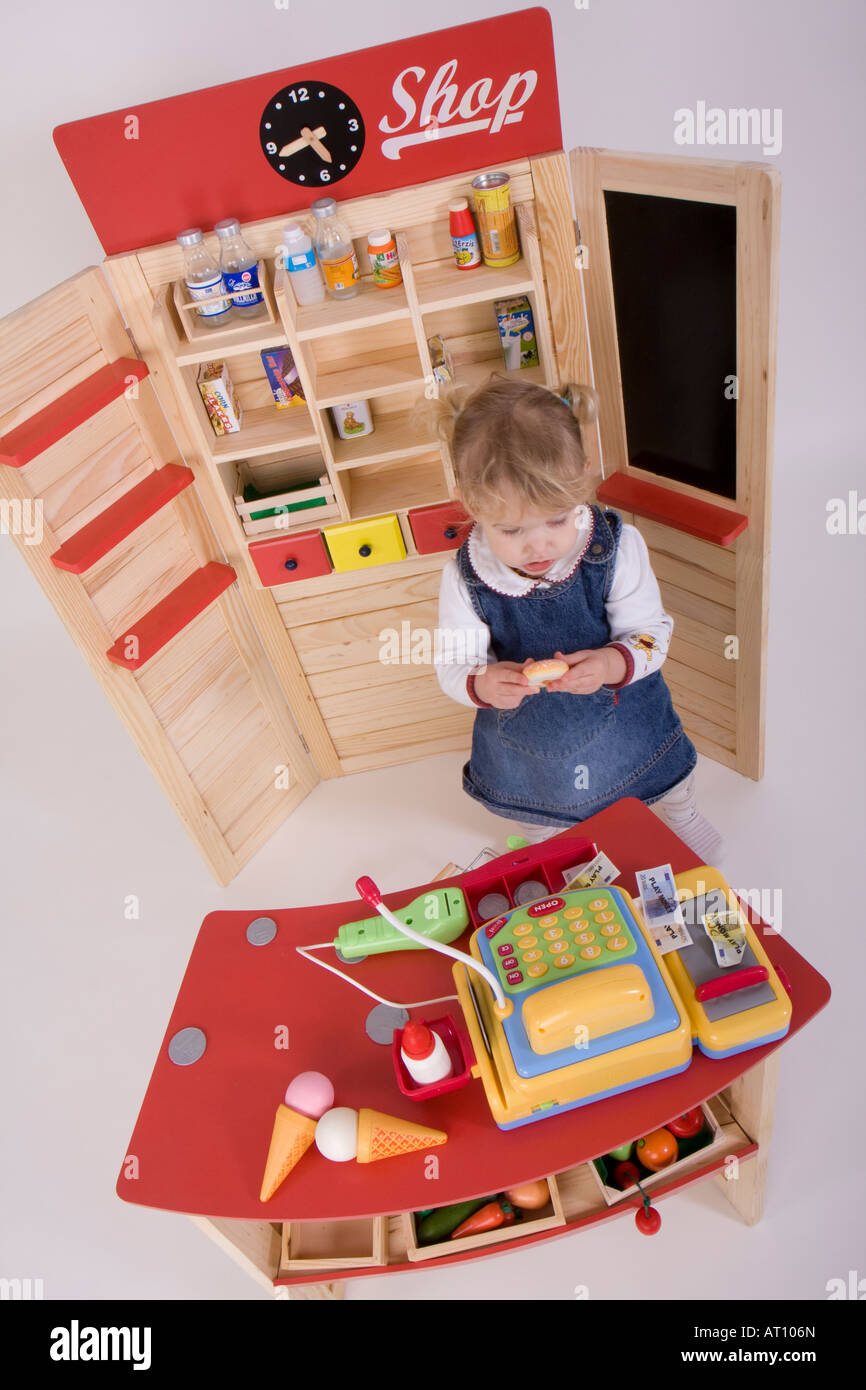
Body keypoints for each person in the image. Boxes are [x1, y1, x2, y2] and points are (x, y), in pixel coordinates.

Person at [433, 375, 724, 863]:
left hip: (624, 715)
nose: (538, 545)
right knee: (536, 810)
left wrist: (612, 665)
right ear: (468, 501)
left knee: (667, 773)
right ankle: (550, 849)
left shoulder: (615, 550)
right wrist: (481, 682)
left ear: (583, 478)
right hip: (527, 739)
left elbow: (652, 636)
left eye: (556, 518)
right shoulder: (465, 578)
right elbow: (452, 664)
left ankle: (683, 816)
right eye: (511, 529)